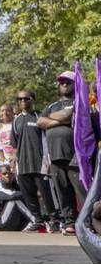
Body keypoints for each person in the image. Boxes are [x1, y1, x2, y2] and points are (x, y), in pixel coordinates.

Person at [37, 72, 79, 235]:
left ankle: (88, 221)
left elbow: (70, 115)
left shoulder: (80, 102)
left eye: (68, 82)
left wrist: (53, 121)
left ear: (75, 84)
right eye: (61, 82)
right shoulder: (51, 105)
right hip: (55, 154)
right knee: (62, 190)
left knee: (80, 189)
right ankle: (70, 222)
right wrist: (61, 119)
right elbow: (41, 121)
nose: (64, 85)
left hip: (76, 154)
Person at [11, 90, 52, 230]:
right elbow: (15, 144)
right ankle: (38, 220)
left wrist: (48, 161)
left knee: (46, 194)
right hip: (23, 164)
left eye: (26, 98)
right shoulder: (16, 120)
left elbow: (47, 141)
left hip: (40, 163)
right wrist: (13, 162)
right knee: (29, 194)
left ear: (32, 100)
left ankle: (53, 220)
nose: (22, 101)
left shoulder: (39, 116)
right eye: (19, 99)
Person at [0, 161, 39, 231]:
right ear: (0, 176)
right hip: (1, 223)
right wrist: (29, 193)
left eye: (10, 173)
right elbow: (11, 196)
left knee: (30, 199)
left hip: (16, 224)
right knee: (14, 200)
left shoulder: (16, 185)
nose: (8, 175)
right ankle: (36, 221)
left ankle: (43, 220)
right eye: (4, 173)